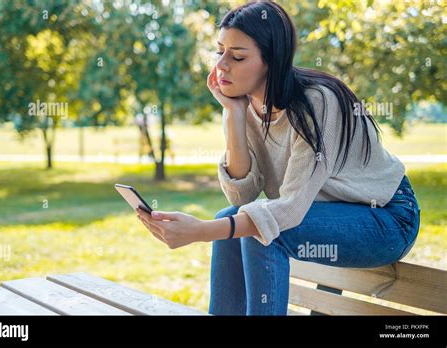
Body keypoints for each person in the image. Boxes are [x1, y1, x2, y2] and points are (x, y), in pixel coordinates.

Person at [136, 1, 421, 315]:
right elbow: (243, 194)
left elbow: (288, 211)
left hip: (388, 218)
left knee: (264, 231)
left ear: (271, 60)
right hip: (325, 213)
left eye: (238, 56)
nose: (222, 66)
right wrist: (233, 114)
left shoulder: (318, 103)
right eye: (220, 52)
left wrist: (198, 232)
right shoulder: (243, 105)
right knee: (231, 219)